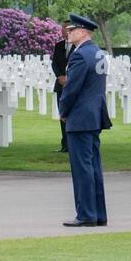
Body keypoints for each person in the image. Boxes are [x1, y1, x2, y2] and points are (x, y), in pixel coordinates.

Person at [58, 13, 111, 227]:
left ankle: (86, 214)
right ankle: (98, 213)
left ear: (82, 32)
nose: (68, 33)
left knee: (82, 168)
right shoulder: (97, 52)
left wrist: (63, 110)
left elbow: (72, 88)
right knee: (93, 166)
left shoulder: (80, 55)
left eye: (72, 30)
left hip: (80, 117)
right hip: (94, 115)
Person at [51, 20, 74, 152]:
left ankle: (73, 144)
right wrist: (60, 76)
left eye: (65, 27)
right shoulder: (59, 45)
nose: (62, 30)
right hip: (60, 85)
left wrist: (68, 78)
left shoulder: (78, 46)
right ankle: (65, 144)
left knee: (72, 115)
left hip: (73, 84)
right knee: (62, 115)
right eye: (62, 27)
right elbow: (54, 63)